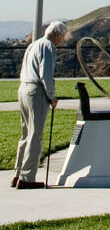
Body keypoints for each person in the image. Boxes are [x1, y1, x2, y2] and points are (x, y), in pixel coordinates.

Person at [12, 20, 67, 189]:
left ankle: (17, 174)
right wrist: (52, 96)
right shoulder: (49, 47)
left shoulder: (33, 45)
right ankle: (27, 178)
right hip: (36, 92)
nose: (62, 40)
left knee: (25, 134)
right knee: (36, 135)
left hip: (23, 88)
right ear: (57, 35)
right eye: (63, 37)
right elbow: (46, 74)